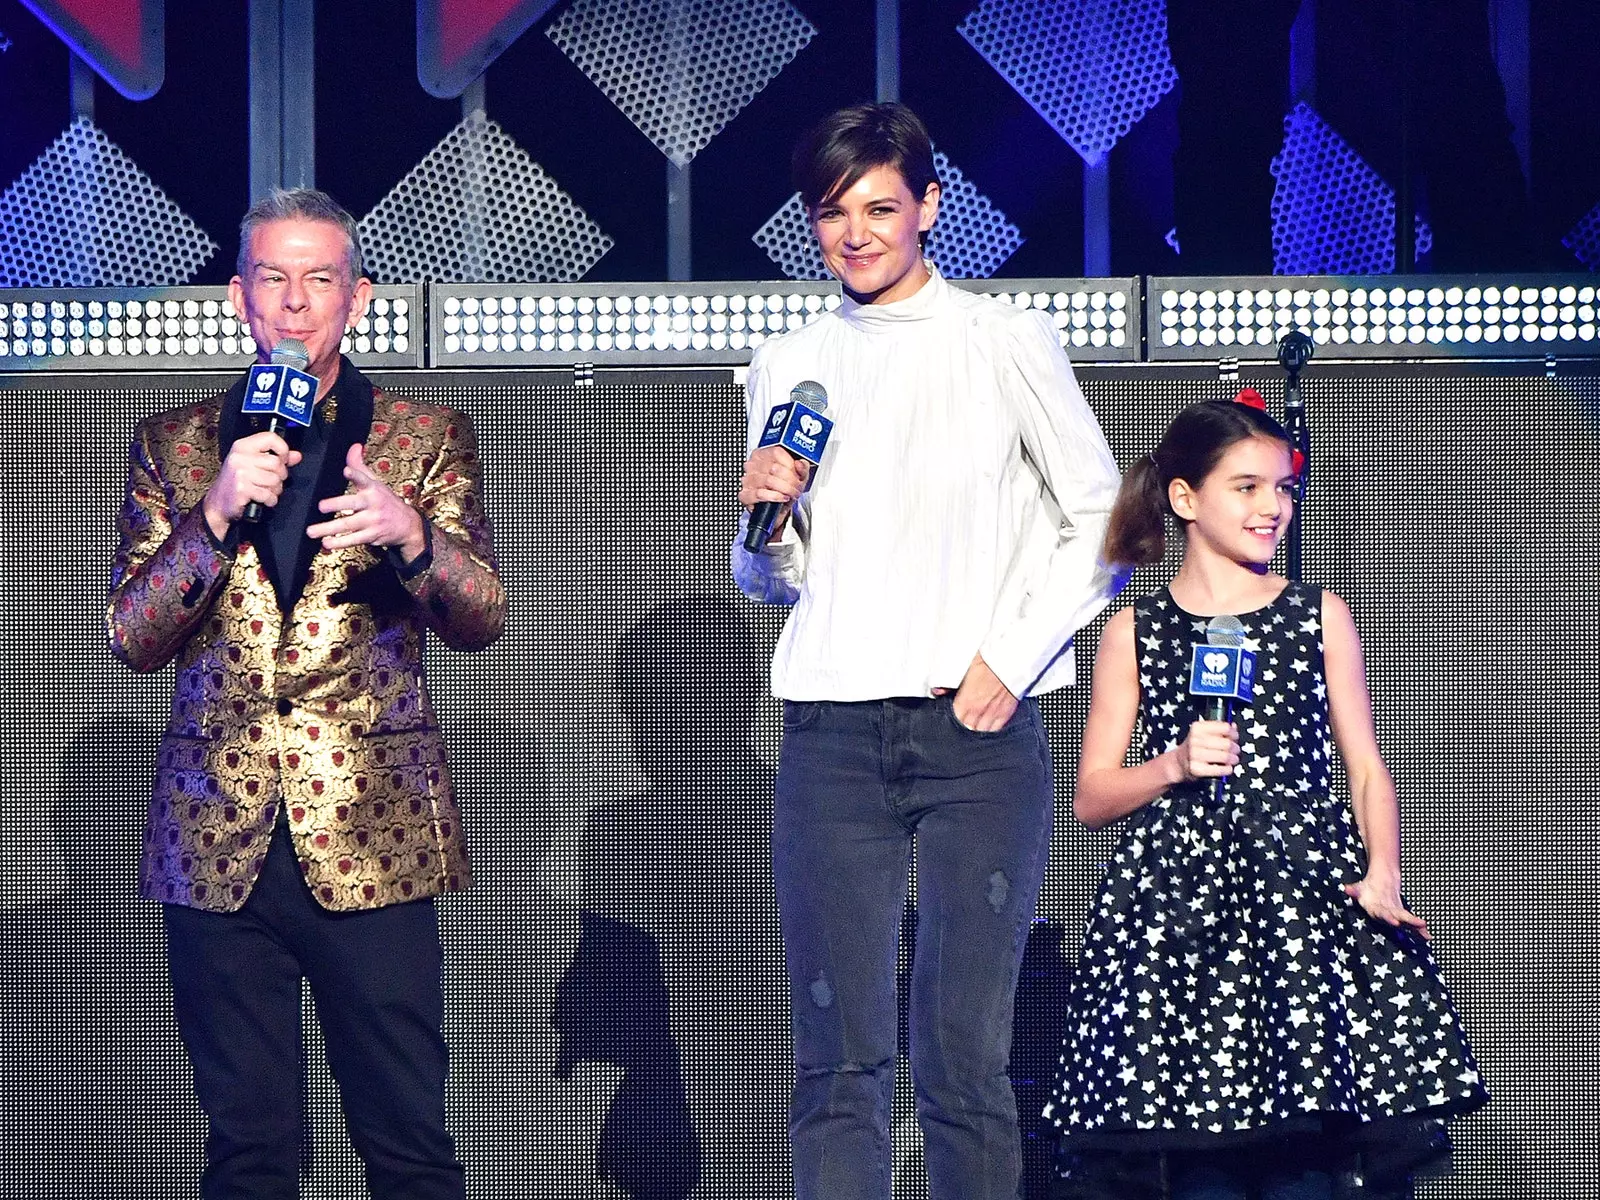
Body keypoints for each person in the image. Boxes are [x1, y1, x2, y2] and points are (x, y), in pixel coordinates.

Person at [733, 102, 1125, 1200]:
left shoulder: (1001, 341)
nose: (854, 233)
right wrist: (760, 523)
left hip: (973, 734)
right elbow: (772, 581)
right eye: (831, 212)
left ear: (927, 209)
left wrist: (1011, 653)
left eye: (878, 208)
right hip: (831, 737)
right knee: (837, 1061)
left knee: (963, 1063)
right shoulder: (788, 365)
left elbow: (1104, 521)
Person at [108, 187, 505, 1199]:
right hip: (215, 843)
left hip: (375, 832)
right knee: (249, 1153)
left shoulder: (421, 439)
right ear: (240, 298)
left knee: (408, 1146)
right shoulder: (176, 445)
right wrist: (212, 511)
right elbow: (134, 634)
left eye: (319, 280)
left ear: (357, 296)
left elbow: (481, 618)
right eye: (274, 280)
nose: (296, 305)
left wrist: (412, 539)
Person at [1045, 399, 1487, 1198]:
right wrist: (1174, 765)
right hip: (1179, 930)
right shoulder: (1135, 630)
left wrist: (1382, 870)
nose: (1270, 507)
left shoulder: (1318, 615)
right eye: (1246, 487)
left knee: (1306, 1164)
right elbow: (1092, 795)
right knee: (1202, 1168)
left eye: (1281, 489)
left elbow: (1365, 768)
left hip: (1297, 913)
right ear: (1185, 498)